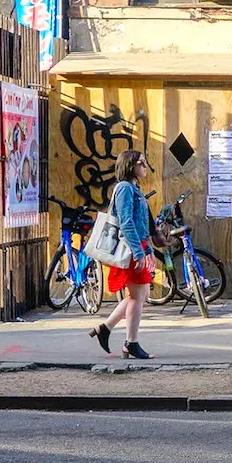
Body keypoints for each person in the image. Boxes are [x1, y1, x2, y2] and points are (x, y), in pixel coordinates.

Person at [95, 150, 155, 359]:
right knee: (138, 297)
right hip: (130, 249)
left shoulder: (133, 188)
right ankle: (131, 342)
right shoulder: (124, 189)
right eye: (141, 163)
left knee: (141, 296)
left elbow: (140, 224)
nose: (145, 166)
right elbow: (126, 222)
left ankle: (106, 328)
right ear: (130, 165)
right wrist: (139, 252)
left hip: (137, 247)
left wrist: (148, 250)